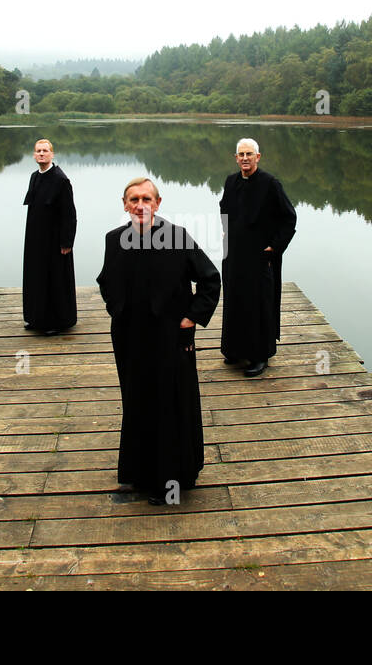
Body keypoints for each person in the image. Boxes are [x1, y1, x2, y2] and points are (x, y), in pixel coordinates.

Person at [97, 178, 221, 505]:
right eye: (134, 200)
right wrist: (116, 309)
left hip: (171, 338)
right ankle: (140, 473)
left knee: (169, 404)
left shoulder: (177, 238)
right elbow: (105, 280)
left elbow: (210, 279)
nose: (141, 205)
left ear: (158, 203)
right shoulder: (114, 240)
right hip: (130, 339)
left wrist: (190, 318)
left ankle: (171, 480)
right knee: (137, 402)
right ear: (125, 204)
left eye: (147, 199)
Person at [219, 137, 297, 377]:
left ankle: (259, 355)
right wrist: (225, 232)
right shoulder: (231, 181)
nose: (244, 159)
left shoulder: (270, 183)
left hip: (261, 256)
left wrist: (274, 248)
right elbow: (224, 207)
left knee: (258, 303)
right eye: (241, 155)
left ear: (258, 157)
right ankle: (235, 350)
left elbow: (289, 218)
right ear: (236, 158)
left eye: (249, 154)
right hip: (234, 254)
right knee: (235, 299)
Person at [22, 138, 77, 335]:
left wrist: (67, 242)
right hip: (36, 239)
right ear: (34, 155)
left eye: (45, 150)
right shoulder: (34, 177)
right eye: (38, 151)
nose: (42, 154)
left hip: (55, 241)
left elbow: (69, 214)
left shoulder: (61, 180)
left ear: (52, 154)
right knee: (36, 277)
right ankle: (35, 318)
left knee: (55, 280)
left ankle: (58, 321)